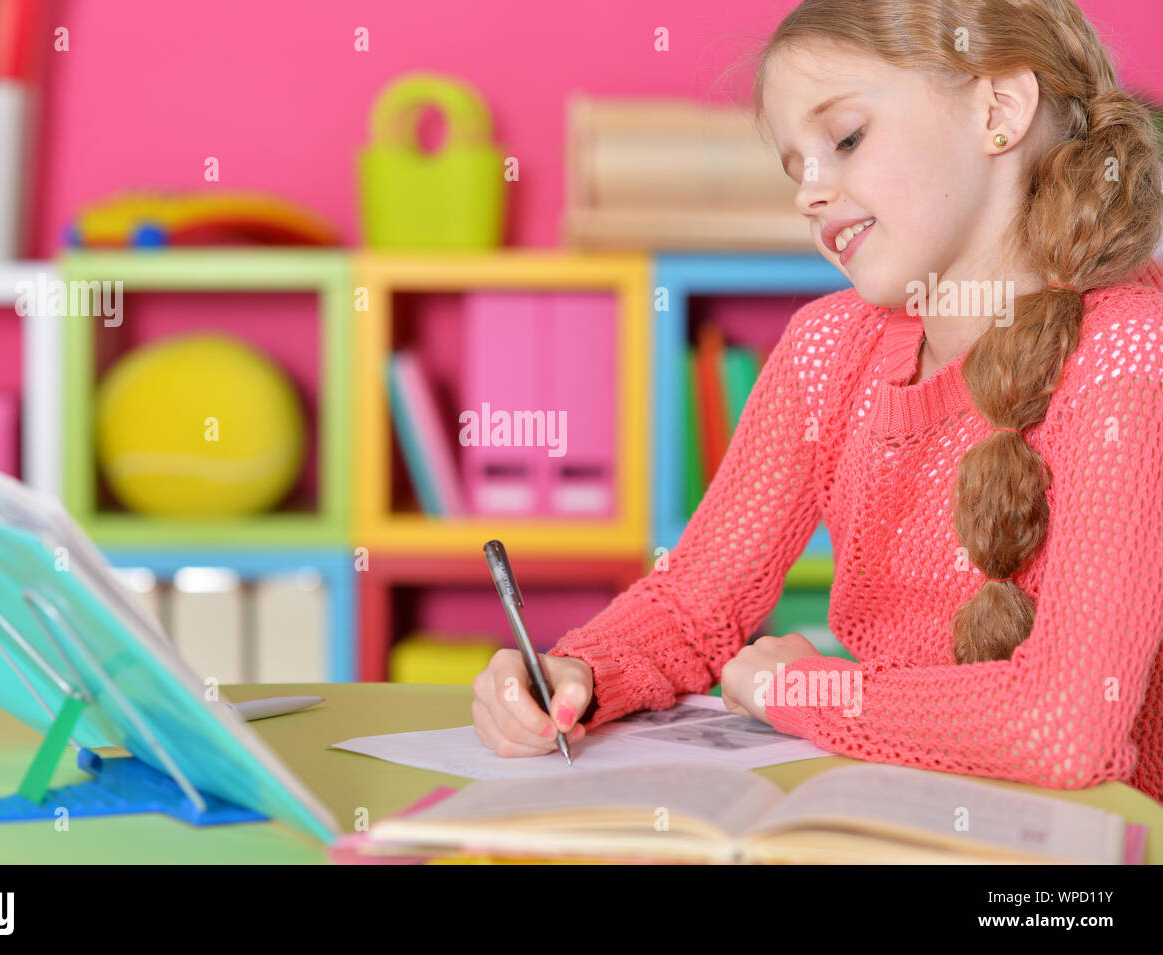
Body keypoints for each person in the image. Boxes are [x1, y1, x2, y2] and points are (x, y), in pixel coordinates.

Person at [471, 0, 1163, 805]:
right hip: (905, 816)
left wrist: (809, 690)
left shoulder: (1130, 353)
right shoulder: (827, 350)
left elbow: (1066, 723)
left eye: (846, 140)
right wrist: (576, 671)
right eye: (796, 166)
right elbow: (693, 608)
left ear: (999, 110)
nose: (810, 192)